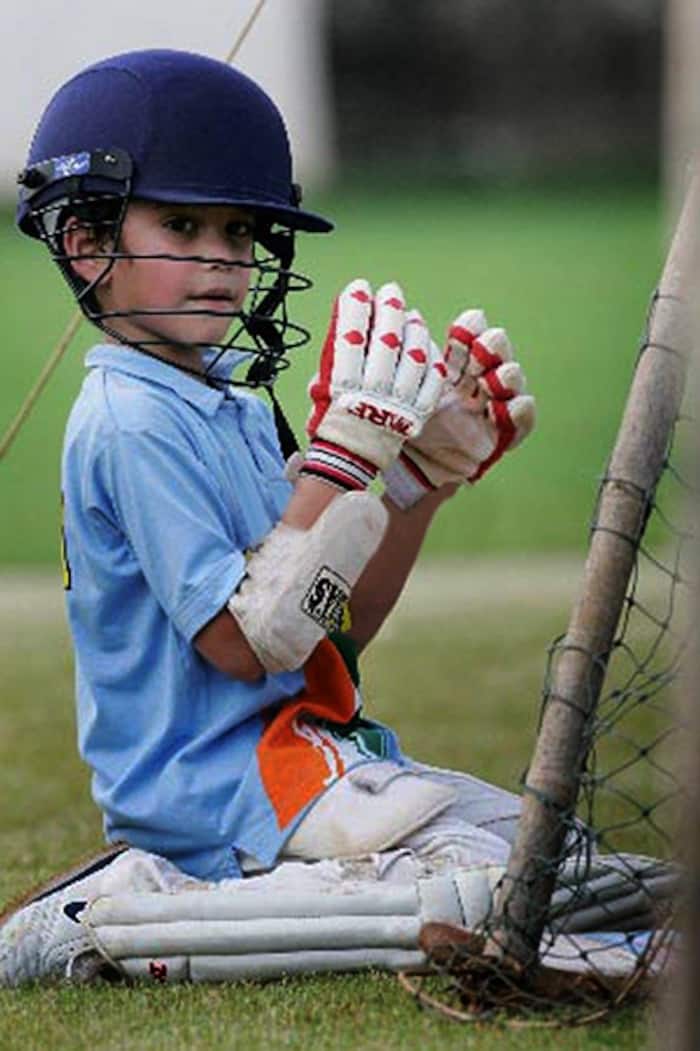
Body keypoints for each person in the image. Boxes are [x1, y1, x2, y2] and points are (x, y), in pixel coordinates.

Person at [1, 49, 539, 984]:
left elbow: (327, 630)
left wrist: (412, 482)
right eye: (181, 224)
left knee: (539, 851)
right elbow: (244, 644)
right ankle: (128, 912)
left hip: (307, 764)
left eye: (241, 232)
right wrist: (335, 463)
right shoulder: (129, 419)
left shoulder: (233, 404)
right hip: (214, 795)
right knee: (491, 889)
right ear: (86, 243)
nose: (221, 259)